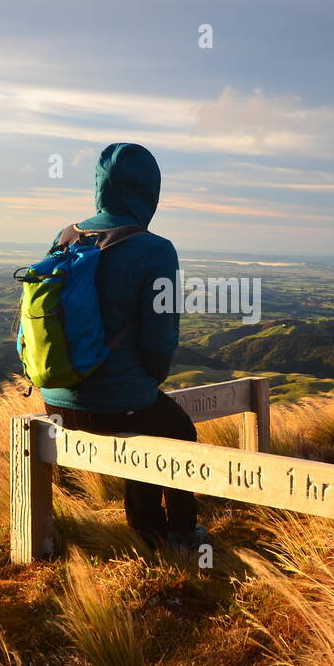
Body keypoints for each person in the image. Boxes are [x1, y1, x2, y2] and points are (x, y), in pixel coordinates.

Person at [39, 143, 208, 551]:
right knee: (177, 430)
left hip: (55, 398)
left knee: (148, 417)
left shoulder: (66, 236)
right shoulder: (156, 249)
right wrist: (148, 380)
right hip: (114, 405)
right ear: (150, 190)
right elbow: (160, 338)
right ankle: (177, 533)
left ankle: (148, 529)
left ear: (101, 186)